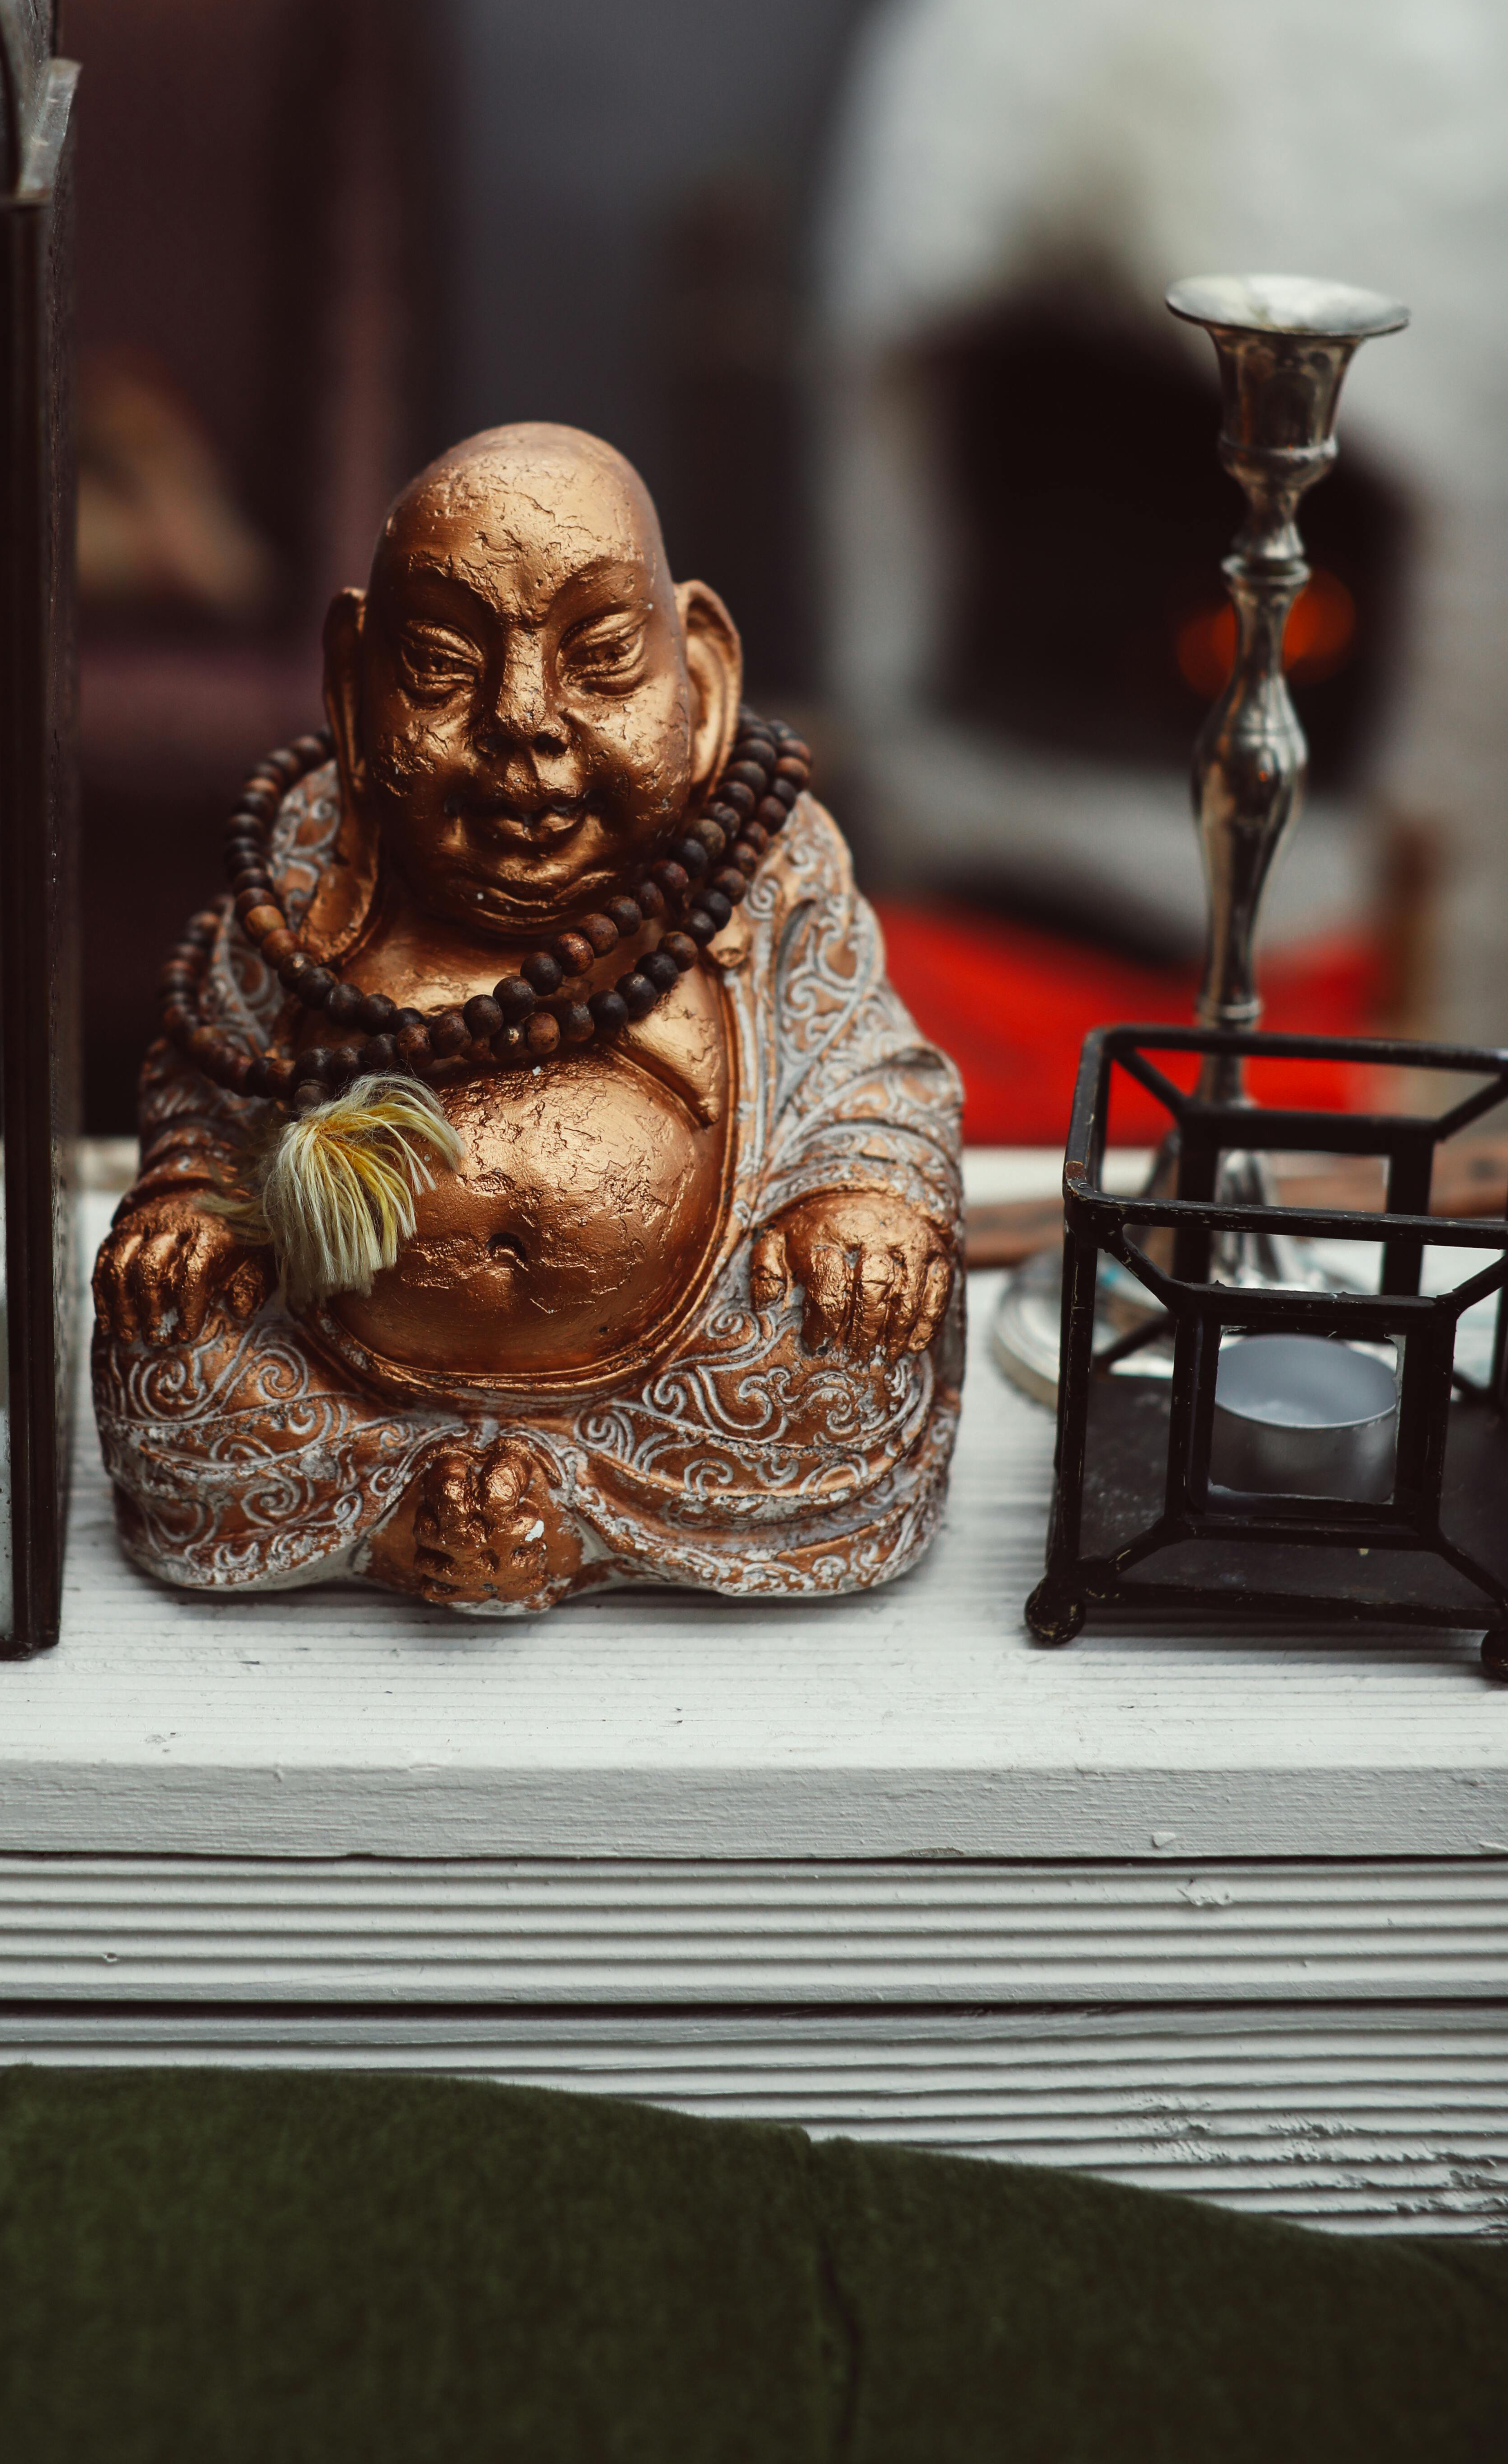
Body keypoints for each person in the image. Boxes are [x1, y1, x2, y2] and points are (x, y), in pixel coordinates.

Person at [95, 422, 960, 1610]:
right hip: (348, 1381)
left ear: (700, 682)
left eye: (602, 659)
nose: (523, 718)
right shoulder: (315, 853)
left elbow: (868, 1069)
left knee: (846, 1366)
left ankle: (567, 1521)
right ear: (353, 688)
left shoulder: (766, 857)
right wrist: (191, 1201)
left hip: (685, 1376)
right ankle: (400, 1515)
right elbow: (211, 1077)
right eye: (442, 670)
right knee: (170, 1368)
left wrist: (861, 1196)